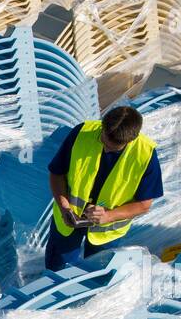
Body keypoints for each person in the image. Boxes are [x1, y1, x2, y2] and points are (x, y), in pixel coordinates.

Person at [45, 105, 163, 271]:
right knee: (57, 269)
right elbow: (56, 173)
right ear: (102, 126)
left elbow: (144, 205)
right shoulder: (82, 133)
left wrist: (109, 216)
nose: (106, 148)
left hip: (106, 232)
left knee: (95, 275)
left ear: (130, 140)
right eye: (103, 141)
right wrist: (64, 207)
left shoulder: (146, 155)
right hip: (68, 220)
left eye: (113, 148)